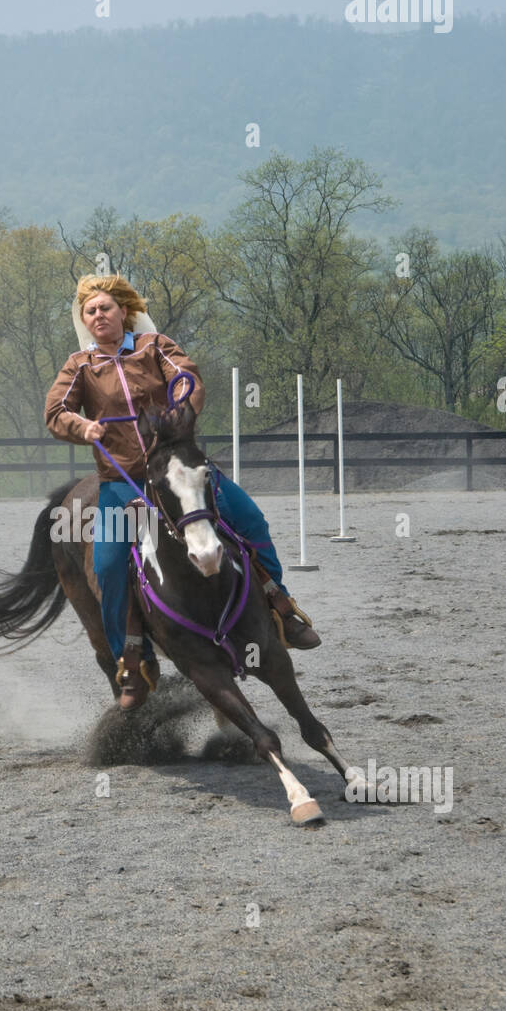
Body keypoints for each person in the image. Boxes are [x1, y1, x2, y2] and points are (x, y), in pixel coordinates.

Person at [44, 273, 320, 707]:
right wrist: (84, 425)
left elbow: (186, 377)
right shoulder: (79, 365)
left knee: (248, 519)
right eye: (90, 311)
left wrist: (180, 405)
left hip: (178, 470)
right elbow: (57, 411)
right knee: (110, 563)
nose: (99, 315)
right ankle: (130, 657)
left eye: (106, 308)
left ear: (124, 313)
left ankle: (280, 608)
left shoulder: (155, 347)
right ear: (85, 320)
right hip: (124, 485)